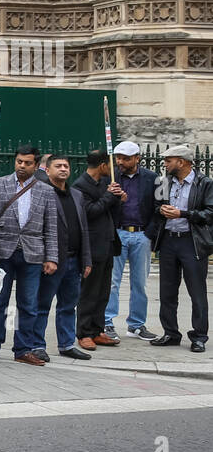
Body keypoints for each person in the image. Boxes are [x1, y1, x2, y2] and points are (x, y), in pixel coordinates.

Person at [0, 145, 59, 366]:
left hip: (32, 254)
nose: (22, 166)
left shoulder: (46, 190)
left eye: (27, 163)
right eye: (19, 162)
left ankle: (23, 349)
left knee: (28, 304)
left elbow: (51, 227)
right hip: (0, 252)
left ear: (36, 165)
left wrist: (51, 257)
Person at [148, 144, 212, 352]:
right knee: (167, 291)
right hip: (168, 241)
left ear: (181, 162)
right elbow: (155, 207)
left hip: (191, 242)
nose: (165, 164)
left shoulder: (205, 183)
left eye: (168, 160)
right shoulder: (163, 182)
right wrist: (162, 210)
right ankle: (170, 333)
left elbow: (210, 214)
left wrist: (183, 214)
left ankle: (199, 336)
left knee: (197, 291)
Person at [34, 155, 93, 363]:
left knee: (69, 305)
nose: (63, 169)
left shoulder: (76, 195)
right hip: (52, 261)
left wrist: (86, 259)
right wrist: (45, 257)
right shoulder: (41, 192)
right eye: (58, 166)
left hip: (74, 260)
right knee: (42, 304)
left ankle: (67, 344)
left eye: (66, 166)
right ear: (47, 171)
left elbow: (83, 228)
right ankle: (37, 345)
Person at [104, 141, 158, 340]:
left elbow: (158, 206)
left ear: (137, 158)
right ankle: (107, 322)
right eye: (118, 157)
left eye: (126, 158)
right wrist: (112, 196)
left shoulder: (152, 178)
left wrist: (149, 232)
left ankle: (136, 324)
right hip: (117, 232)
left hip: (142, 234)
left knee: (140, 282)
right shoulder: (111, 178)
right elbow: (102, 206)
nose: (120, 161)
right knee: (112, 281)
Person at [72, 150, 123, 351]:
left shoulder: (104, 183)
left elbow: (111, 211)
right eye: (110, 165)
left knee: (103, 291)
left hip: (108, 242)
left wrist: (119, 197)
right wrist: (110, 196)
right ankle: (84, 332)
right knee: (89, 291)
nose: (113, 169)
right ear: (103, 165)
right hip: (91, 245)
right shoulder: (80, 186)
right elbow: (89, 212)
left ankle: (97, 329)